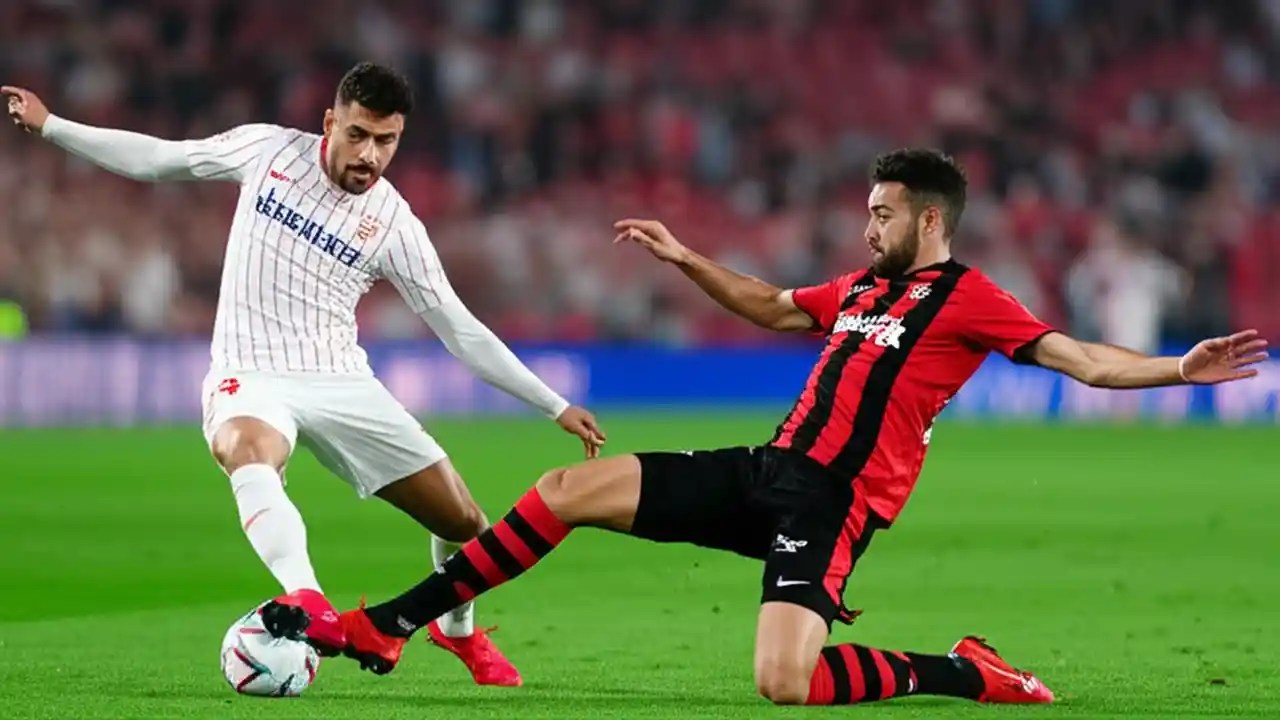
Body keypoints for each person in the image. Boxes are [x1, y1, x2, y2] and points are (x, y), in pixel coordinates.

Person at [321, 149, 1266, 706]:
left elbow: (1084, 359)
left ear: (929, 219)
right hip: (767, 468)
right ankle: (394, 624)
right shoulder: (856, 289)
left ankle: (963, 674)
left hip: (833, 503)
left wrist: (1178, 367)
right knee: (567, 490)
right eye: (866, 211)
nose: (867, 228)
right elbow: (773, 307)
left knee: (784, 684)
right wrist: (687, 257)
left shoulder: (972, 299)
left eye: (883, 214)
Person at [3, 62, 607, 687]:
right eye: (357, 135)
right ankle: (308, 598)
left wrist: (552, 403)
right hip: (251, 370)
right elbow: (162, 159)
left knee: (466, 526)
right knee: (246, 448)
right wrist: (53, 127)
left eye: (386, 141)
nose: (369, 155)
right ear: (329, 123)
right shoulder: (268, 152)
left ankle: (456, 630)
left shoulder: (396, 226)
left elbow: (460, 329)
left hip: (340, 380)